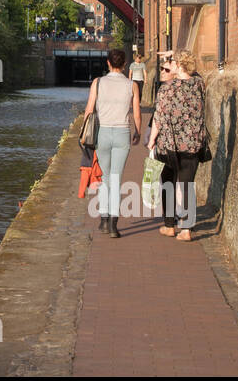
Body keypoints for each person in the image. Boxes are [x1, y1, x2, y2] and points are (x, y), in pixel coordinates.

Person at [81, 48, 143, 238]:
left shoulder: (98, 83)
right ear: (125, 65)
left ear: (108, 63)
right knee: (116, 178)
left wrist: (84, 134)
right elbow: (137, 113)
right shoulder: (132, 85)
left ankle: (104, 220)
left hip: (103, 134)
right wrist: (137, 132)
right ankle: (114, 225)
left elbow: (89, 110)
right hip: (122, 133)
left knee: (105, 177)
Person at [146, 49, 206, 241]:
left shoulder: (167, 89)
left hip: (168, 145)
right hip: (192, 144)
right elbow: (195, 73)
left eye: (173, 62)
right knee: (187, 185)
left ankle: (169, 225)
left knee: (169, 184)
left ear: (178, 66)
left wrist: (151, 140)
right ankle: (187, 229)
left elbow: (159, 118)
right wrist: (178, 55)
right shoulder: (198, 84)